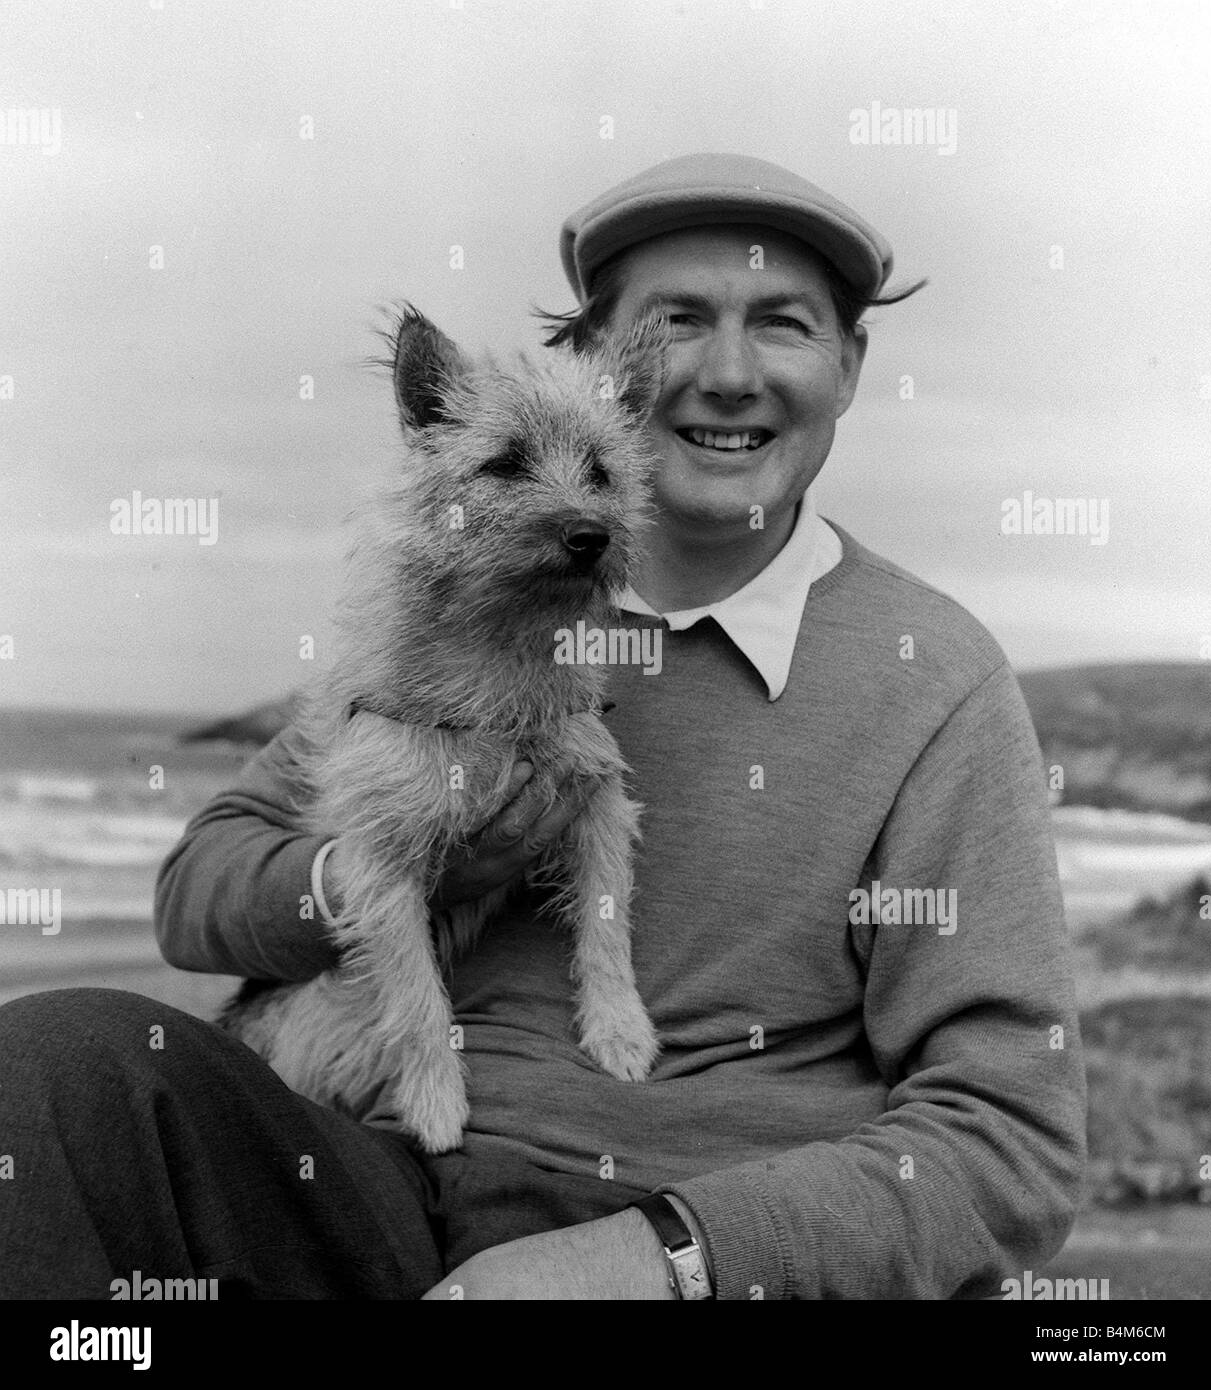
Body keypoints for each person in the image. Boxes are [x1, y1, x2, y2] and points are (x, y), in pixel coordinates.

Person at [0, 153, 1086, 1301]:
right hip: (390, 1172)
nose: (726, 374)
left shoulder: (934, 678)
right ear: (602, 369)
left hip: (697, 1219)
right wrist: (375, 873)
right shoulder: (452, 617)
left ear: (849, 367)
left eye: (782, 323)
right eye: (676, 323)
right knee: (60, 1067)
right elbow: (195, 892)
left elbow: (1009, 1136)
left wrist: (661, 1258)